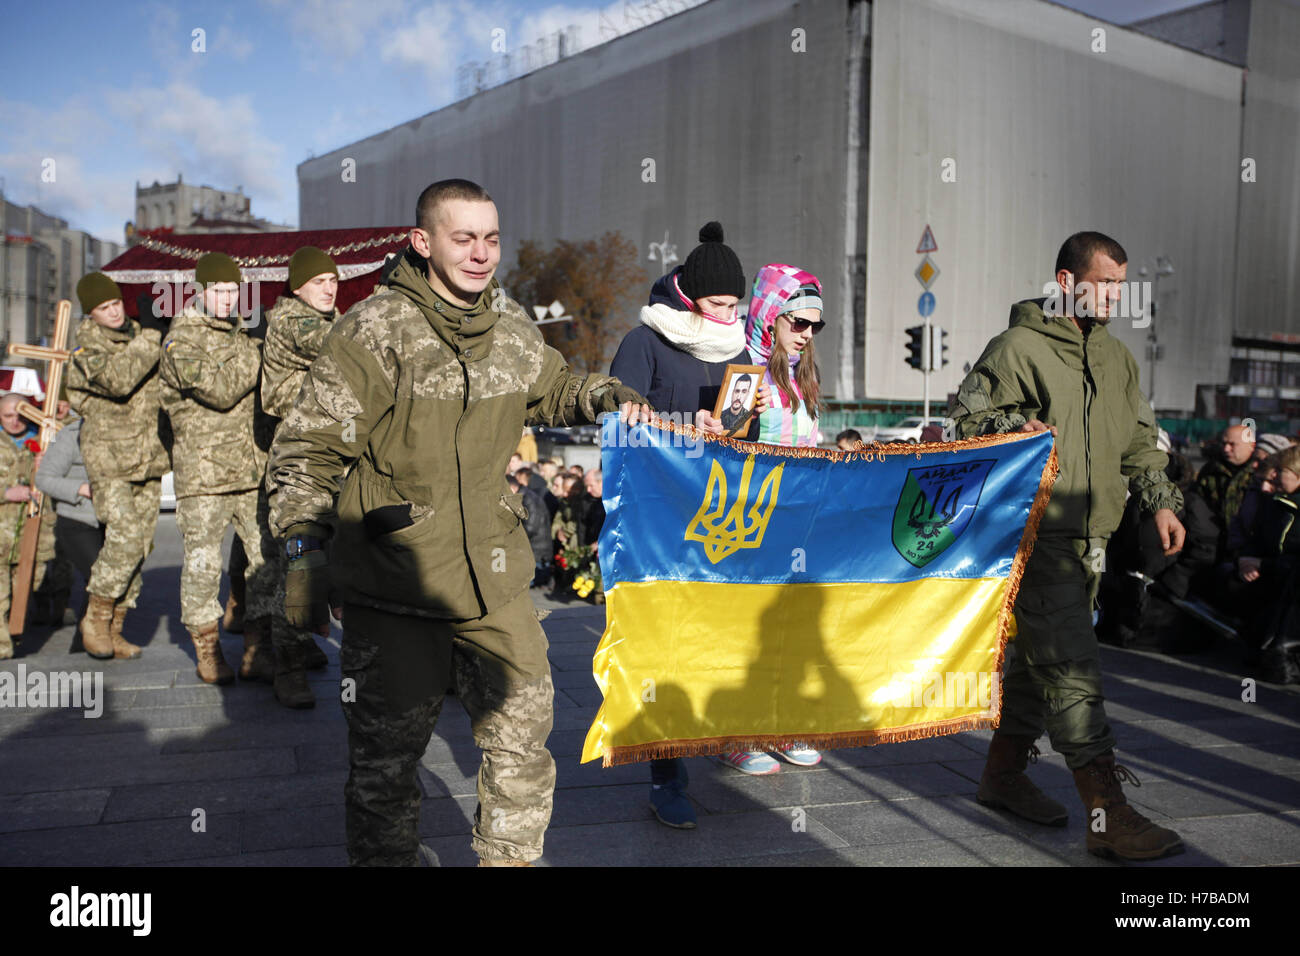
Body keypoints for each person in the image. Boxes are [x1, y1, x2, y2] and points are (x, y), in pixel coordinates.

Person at [266, 178, 649, 867]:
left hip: (495, 580)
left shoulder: (509, 330)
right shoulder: (374, 330)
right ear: (423, 241)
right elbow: (307, 452)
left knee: (522, 741)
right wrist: (302, 555)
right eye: (463, 237)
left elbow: (554, 389)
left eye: (492, 238)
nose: (480, 254)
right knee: (386, 764)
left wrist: (605, 395)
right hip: (397, 583)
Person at [949, 231, 1186, 860]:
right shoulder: (1019, 347)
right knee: (1075, 672)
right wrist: (1014, 425)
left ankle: (1001, 777)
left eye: (1121, 283)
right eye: (1105, 282)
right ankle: (1109, 816)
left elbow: (1140, 442)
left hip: (1094, 539)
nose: (1116, 295)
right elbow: (963, 423)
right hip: (1035, 536)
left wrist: (1161, 500)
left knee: (1037, 664)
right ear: (1066, 282)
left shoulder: (1118, 360)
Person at [608, 219, 764, 829]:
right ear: (686, 295)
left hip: (722, 522)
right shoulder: (644, 343)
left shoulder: (742, 352)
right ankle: (666, 776)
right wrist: (678, 431)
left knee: (717, 643)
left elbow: (746, 437)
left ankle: (723, 736)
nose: (728, 315)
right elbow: (618, 427)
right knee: (665, 650)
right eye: (718, 304)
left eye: (735, 304)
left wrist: (733, 431)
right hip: (658, 523)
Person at [715, 263, 827, 775]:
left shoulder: (803, 375)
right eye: (797, 322)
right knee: (746, 630)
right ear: (769, 316)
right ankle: (738, 730)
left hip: (796, 521)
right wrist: (744, 416)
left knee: (786, 628)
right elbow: (720, 443)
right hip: (749, 521)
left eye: (813, 325)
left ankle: (779, 721)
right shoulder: (743, 364)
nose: (806, 334)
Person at [159, 252, 277, 686]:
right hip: (204, 475)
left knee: (265, 561)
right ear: (201, 292)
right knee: (203, 566)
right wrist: (263, 350)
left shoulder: (241, 336)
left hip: (251, 472)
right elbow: (221, 389)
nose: (228, 299)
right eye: (220, 291)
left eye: (233, 291)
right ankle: (207, 650)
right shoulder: (180, 341)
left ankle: (257, 648)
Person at [64, 272, 170, 660]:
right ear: (90, 314)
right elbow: (120, 379)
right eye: (103, 308)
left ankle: (115, 626)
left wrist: (166, 333)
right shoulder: (86, 349)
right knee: (123, 540)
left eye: (115, 304)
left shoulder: (141, 335)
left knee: (140, 545)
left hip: (148, 456)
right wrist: (153, 336)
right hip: (109, 460)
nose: (113, 312)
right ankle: (95, 617)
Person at [259, 245, 345, 707]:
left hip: (334, 457)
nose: (329, 288)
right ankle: (286, 668)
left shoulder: (335, 321)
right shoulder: (293, 320)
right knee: (300, 567)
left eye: (333, 280)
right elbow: (346, 348)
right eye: (319, 282)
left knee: (333, 562)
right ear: (297, 288)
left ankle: (306, 642)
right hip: (299, 462)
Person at [1236, 444, 1300, 683]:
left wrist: (1261, 564)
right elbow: (1258, 539)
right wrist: (1246, 560)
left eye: (1280, 470)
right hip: (1272, 576)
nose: (1273, 476)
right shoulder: (1278, 504)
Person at [0, 393, 57, 659]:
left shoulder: (46, 438)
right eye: (7, 416)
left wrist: (46, 469)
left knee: (29, 584)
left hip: (34, 530)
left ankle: (15, 631)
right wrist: (5, 492)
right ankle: (3, 648)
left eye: (20, 415)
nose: (14, 421)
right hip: (2, 530)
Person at [1194, 424, 1256, 559]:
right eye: (1224, 443)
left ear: (1251, 445)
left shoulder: (1262, 474)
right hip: (1212, 545)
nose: (1226, 449)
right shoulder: (1210, 470)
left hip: (1249, 549)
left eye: (1233, 444)